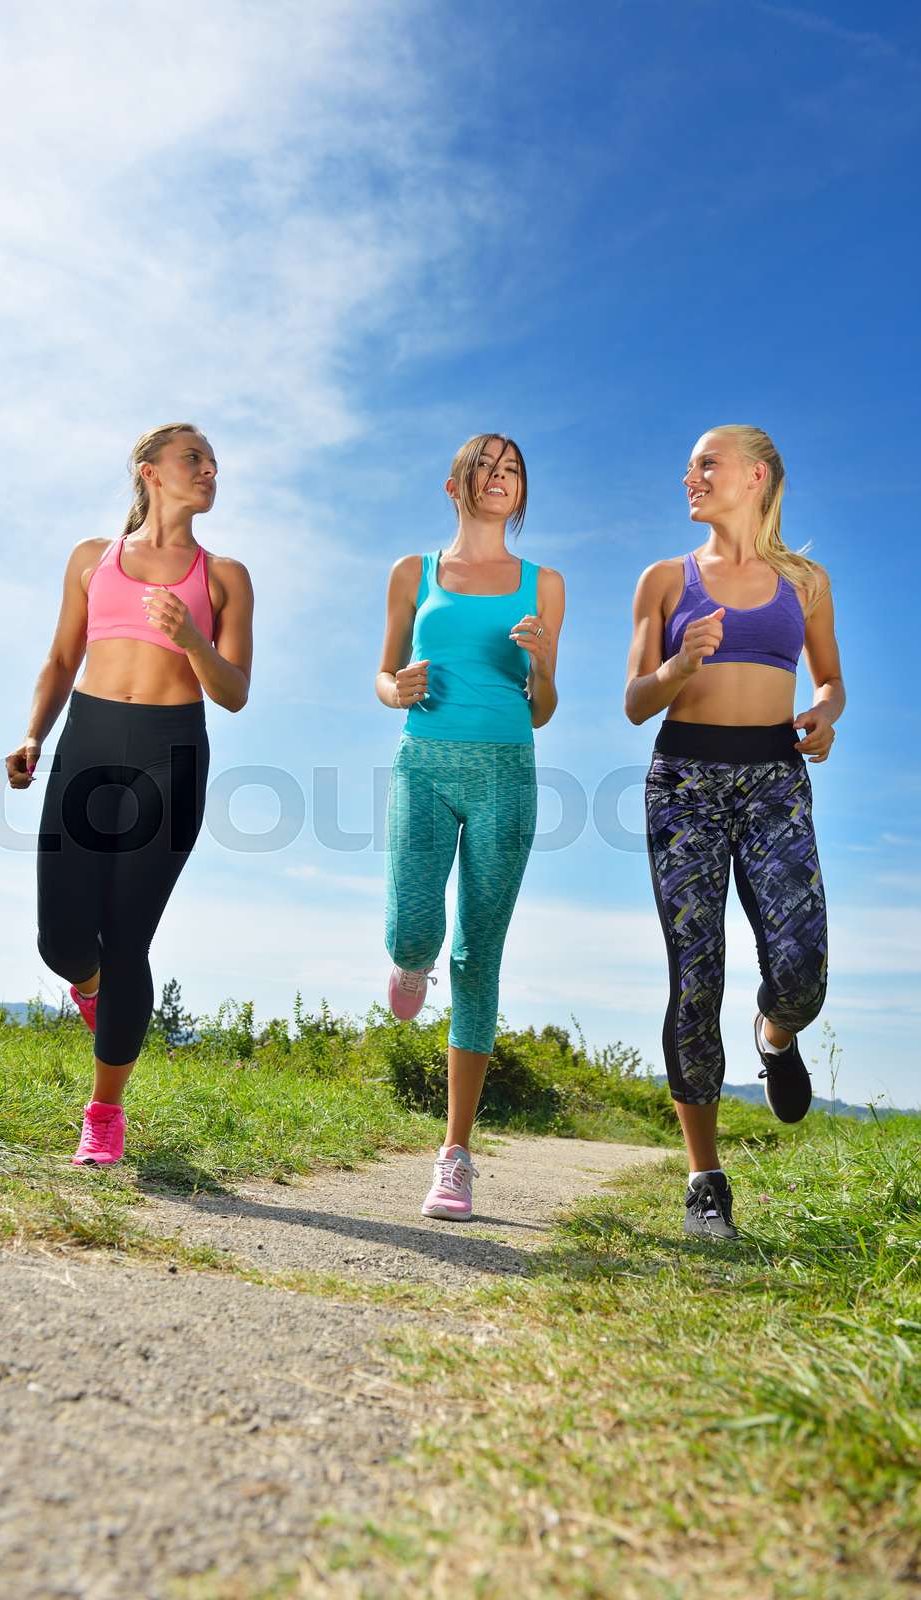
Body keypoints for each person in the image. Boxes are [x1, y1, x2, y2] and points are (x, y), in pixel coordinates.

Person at [5, 423, 253, 1165]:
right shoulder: (93, 559)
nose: (209, 471)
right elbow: (59, 656)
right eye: (194, 460)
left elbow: (233, 691)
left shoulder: (223, 576)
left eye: (213, 461)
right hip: (87, 741)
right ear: (150, 472)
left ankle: (104, 1112)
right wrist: (33, 736)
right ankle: (92, 989)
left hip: (171, 754)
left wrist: (193, 639)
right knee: (62, 941)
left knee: (130, 936)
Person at [625, 424, 844, 1239]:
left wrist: (821, 716)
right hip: (682, 777)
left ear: (755, 476)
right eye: (687, 465)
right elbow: (634, 699)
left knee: (802, 968)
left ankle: (776, 1033)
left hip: (773, 780)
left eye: (705, 464)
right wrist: (679, 667)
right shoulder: (661, 580)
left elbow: (830, 680)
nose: (689, 476)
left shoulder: (806, 582)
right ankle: (704, 1178)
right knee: (696, 975)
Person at [376, 434, 565, 1220]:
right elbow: (384, 674)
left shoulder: (542, 583)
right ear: (452, 484)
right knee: (414, 932)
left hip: (506, 772)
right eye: (485, 467)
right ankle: (405, 960)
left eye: (511, 469)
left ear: (521, 491)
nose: (499, 478)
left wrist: (541, 666)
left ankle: (454, 1153)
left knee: (477, 955)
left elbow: (544, 709)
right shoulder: (411, 573)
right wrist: (397, 689)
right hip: (424, 762)